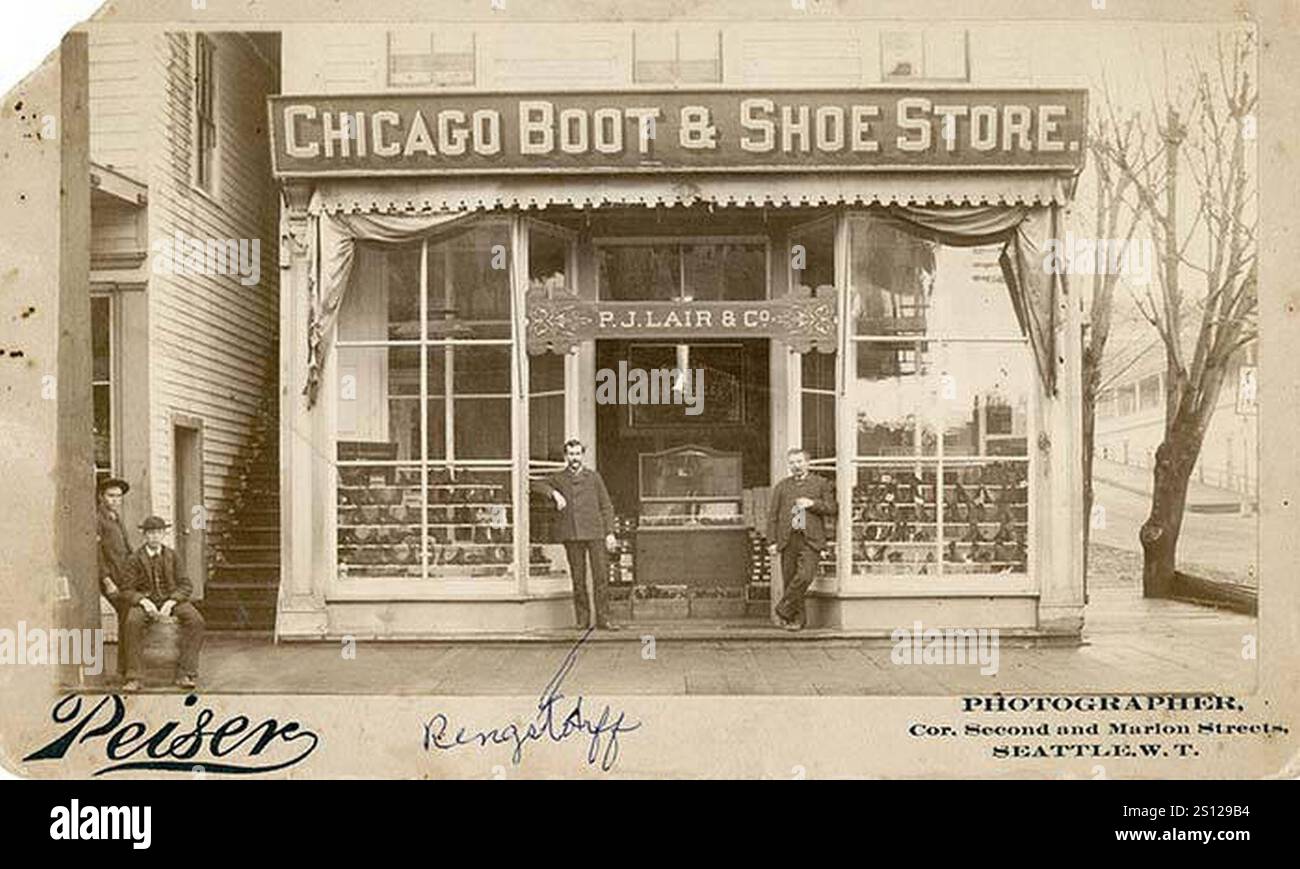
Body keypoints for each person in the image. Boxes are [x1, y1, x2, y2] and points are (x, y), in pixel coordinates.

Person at [531, 439, 621, 631]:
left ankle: (604, 619)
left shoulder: (594, 477)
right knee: (578, 579)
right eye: (571, 454)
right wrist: (554, 494)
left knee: (601, 577)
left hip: (595, 533)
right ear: (566, 456)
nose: (574, 458)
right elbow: (535, 484)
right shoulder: (559, 478)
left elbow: (606, 506)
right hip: (572, 534)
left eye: (578, 454)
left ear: (582, 455)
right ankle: (582, 620)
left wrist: (610, 533)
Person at [119, 516, 206, 691]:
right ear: (144, 535)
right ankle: (134, 677)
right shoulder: (134, 559)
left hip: (171, 599)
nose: (155, 537)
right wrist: (142, 601)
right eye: (150, 533)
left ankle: (185, 673)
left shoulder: (173, 556)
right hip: (146, 601)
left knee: (196, 621)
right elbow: (126, 589)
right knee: (131, 622)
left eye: (158, 532)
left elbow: (186, 584)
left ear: (164, 534)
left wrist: (172, 601)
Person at [768, 448, 837, 632]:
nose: (796, 466)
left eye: (799, 462)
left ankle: (784, 608)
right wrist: (772, 541)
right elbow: (773, 516)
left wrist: (812, 504)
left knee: (805, 576)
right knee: (790, 579)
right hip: (788, 538)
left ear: (808, 463)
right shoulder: (782, 486)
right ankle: (797, 620)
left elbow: (832, 508)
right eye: (792, 462)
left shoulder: (820, 484)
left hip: (811, 539)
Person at [96, 477, 134, 680]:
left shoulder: (116, 517)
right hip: (110, 578)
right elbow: (97, 553)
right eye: (111, 495)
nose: (115, 500)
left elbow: (126, 549)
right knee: (127, 617)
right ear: (102, 497)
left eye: (118, 496)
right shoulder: (98, 519)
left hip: (124, 576)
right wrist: (107, 580)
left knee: (127, 619)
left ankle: (125, 668)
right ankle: (125, 670)